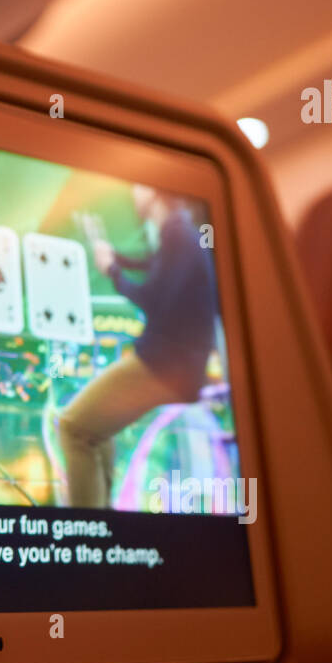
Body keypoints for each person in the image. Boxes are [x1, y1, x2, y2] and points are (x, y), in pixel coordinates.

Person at [57, 186, 218, 507]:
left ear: (157, 193)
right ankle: (100, 526)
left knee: (72, 427)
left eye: (139, 188)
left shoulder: (178, 233)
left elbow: (153, 299)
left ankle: (87, 534)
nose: (133, 193)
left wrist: (113, 272)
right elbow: (155, 266)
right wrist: (114, 256)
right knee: (95, 434)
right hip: (175, 365)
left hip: (165, 365)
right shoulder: (179, 231)